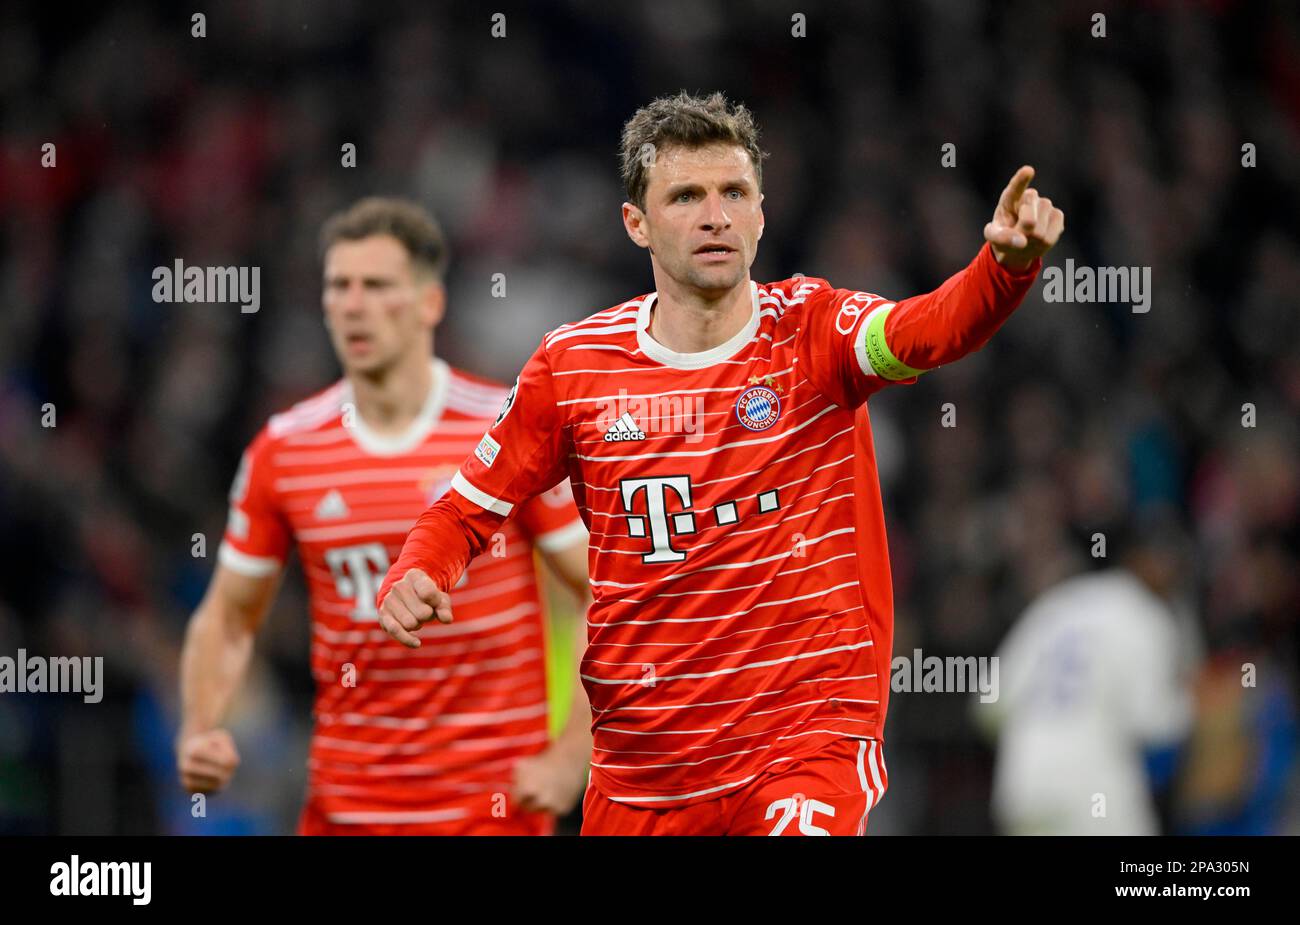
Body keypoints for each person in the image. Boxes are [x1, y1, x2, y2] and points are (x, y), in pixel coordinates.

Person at [377, 92, 1064, 835]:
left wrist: (1003, 267)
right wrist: (418, 569)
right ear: (636, 223)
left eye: (734, 193)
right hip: (643, 772)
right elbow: (467, 507)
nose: (716, 216)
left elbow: (929, 328)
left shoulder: (814, 332)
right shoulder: (574, 367)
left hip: (802, 743)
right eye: (686, 197)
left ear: (761, 214)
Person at [177, 197, 592, 835]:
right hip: (346, 810)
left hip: (491, 811)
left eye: (377, 286)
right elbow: (228, 615)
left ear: (430, 303)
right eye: (338, 286)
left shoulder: (504, 430)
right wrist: (199, 727)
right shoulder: (284, 451)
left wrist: (572, 754)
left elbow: (605, 588)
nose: (353, 304)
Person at [977, 515, 1200, 835]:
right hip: (1092, 785)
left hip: (1023, 784)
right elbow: (1154, 721)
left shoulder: (1063, 601)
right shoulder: (1146, 614)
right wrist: (1194, 703)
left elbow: (988, 702)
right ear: (1135, 558)